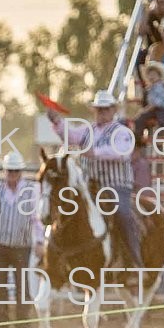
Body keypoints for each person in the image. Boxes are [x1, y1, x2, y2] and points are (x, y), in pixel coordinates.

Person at [49, 89, 144, 269]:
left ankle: (134, 259)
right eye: (99, 109)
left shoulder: (122, 132)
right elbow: (70, 136)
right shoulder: (87, 130)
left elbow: (122, 153)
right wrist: (58, 122)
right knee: (68, 209)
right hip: (90, 185)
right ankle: (63, 254)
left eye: (105, 109)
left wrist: (96, 153)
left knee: (122, 214)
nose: (101, 112)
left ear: (113, 110)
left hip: (116, 186)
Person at [0, 151, 43, 328]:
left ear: (20, 172)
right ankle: (0, 322)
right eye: (9, 171)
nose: (12, 174)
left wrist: (39, 241)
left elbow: (36, 218)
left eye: (15, 171)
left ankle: (23, 323)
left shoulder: (31, 190)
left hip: (22, 245)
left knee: (23, 285)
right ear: (5, 171)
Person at [133, 60, 164, 144]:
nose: (151, 77)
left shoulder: (159, 87)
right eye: (149, 74)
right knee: (141, 117)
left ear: (159, 76)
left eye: (154, 74)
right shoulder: (150, 88)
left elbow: (155, 103)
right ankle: (138, 134)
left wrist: (145, 109)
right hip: (154, 108)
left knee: (162, 118)